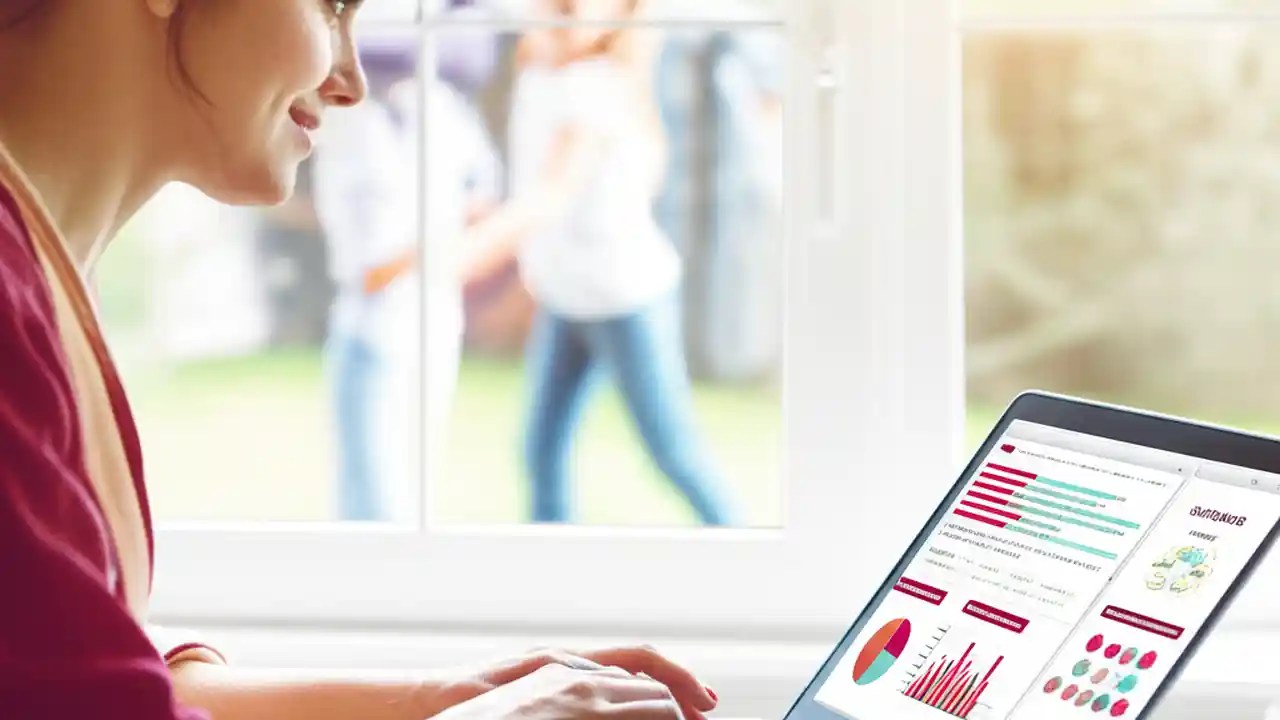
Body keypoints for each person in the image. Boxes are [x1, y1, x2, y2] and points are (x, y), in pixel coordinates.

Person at [0, 2, 720, 718]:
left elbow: (83, 681)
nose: (350, 81)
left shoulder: (41, 263)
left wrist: (444, 698)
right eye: (331, 7)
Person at [463, 0, 743, 525]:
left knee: (672, 451)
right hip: (566, 294)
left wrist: (464, 257)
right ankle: (552, 563)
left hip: (623, 299)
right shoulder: (541, 70)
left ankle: (742, 546)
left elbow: (550, 194)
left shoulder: (595, 89)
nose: (559, 14)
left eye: (574, 8)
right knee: (541, 449)